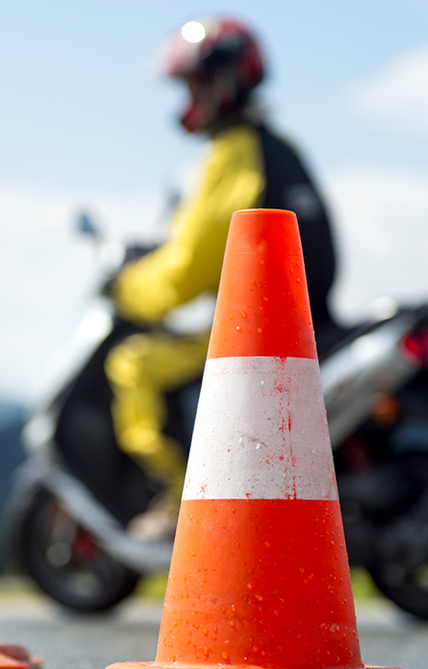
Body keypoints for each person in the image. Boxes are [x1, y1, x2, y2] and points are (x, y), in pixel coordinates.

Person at [105, 16, 342, 537]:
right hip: (312, 324)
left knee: (134, 365)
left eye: (191, 83)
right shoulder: (280, 149)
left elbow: (185, 271)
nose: (187, 96)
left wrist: (127, 290)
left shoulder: (232, 155)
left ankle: (178, 502)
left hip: (258, 335)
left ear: (220, 82)